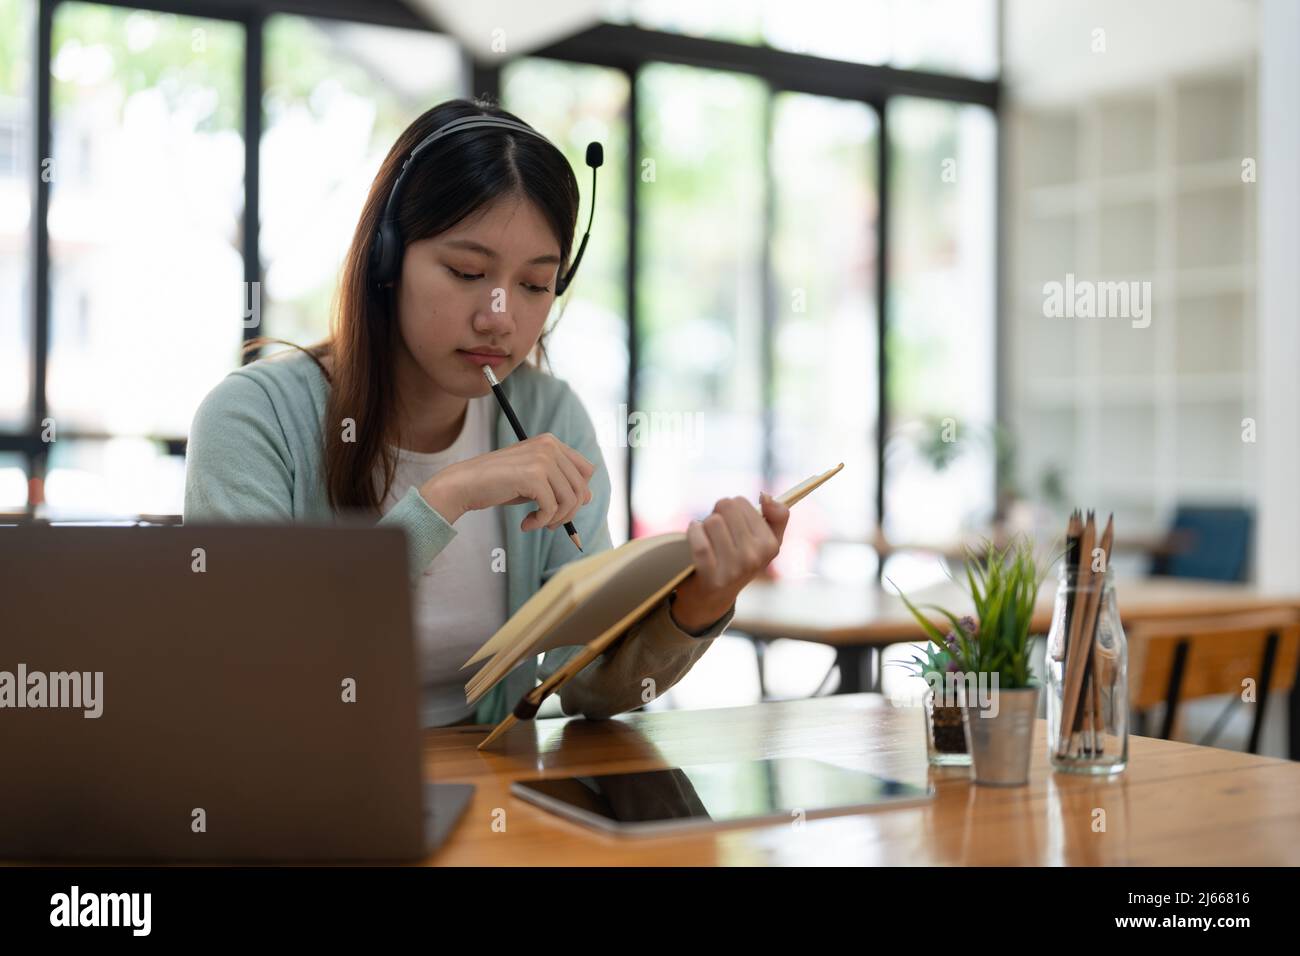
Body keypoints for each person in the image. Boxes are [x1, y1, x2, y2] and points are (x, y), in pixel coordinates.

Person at [184, 97, 790, 727]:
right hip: (315, 797)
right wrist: (447, 498)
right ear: (386, 260)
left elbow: (585, 687)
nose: (499, 316)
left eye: (534, 285)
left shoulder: (549, 413)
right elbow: (255, 671)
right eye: (467, 271)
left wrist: (701, 601)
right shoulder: (253, 419)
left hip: (493, 797)